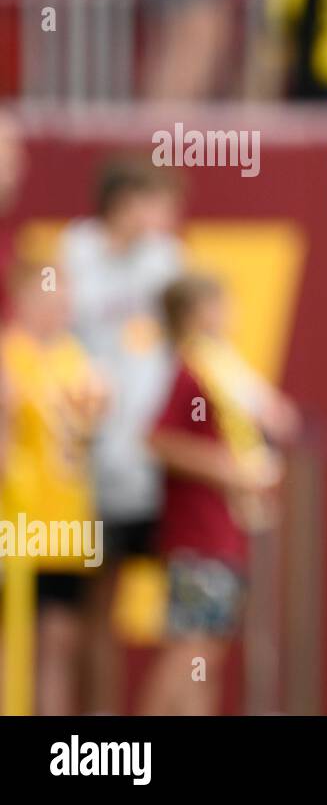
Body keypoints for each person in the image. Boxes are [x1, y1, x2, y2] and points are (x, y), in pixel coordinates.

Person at [59, 158, 183, 713]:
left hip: (158, 464)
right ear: (123, 203)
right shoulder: (73, 255)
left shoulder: (167, 260)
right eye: (154, 204)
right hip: (93, 467)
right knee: (96, 607)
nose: (165, 218)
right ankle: (103, 734)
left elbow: (190, 349)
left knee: (189, 605)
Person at [138, 274, 291, 716]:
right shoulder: (192, 370)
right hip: (199, 539)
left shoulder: (222, 370)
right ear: (199, 313)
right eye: (223, 304)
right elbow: (158, 440)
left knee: (208, 658)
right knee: (189, 652)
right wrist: (227, 469)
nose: (232, 314)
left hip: (224, 536)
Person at [0, 257, 108, 715]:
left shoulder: (75, 358)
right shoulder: (9, 354)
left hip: (64, 520)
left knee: (60, 638)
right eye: (51, 297)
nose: (60, 308)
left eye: (65, 299)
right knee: (13, 636)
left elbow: (88, 429)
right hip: (14, 521)